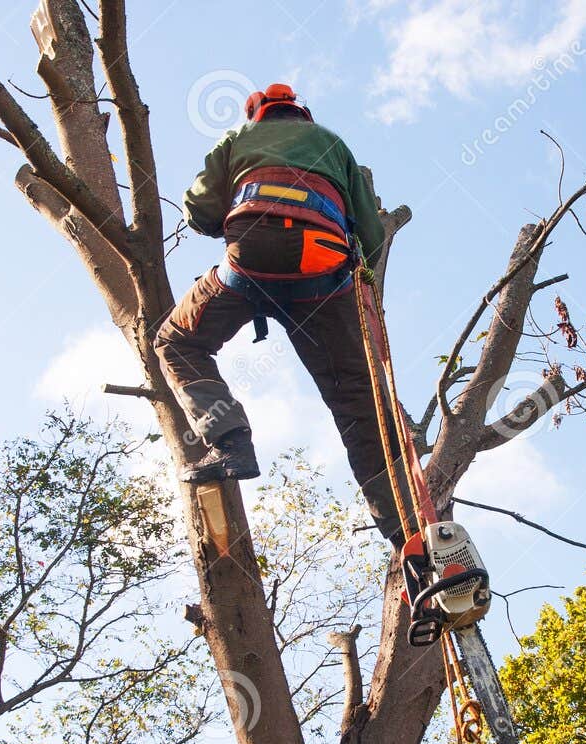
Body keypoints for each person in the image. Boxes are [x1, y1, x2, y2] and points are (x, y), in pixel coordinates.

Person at [155, 82, 406, 548]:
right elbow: (371, 233)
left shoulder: (236, 139)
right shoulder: (333, 143)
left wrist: (223, 218)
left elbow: (199, 208)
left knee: (177, 340)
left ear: (258, 114)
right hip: (322, 269)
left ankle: (230, 441)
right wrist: (361, 279)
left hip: (252, 256)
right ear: (300, 114)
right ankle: (404, 528)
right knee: (356, 399)